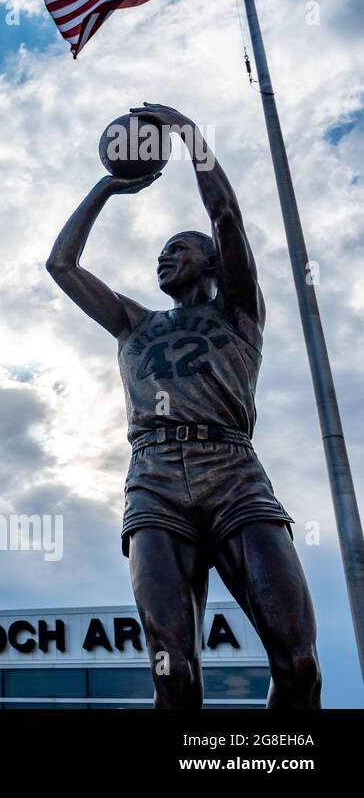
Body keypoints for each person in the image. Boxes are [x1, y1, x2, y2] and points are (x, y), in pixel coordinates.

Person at [45, 102, 321, 708]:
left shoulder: (238, 312)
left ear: (213, 262)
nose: (164, 257)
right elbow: (61, 265)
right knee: (173, 672)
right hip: (155, 479)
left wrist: (190, 134)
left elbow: (225, 215)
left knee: (298, 661)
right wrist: (109, 186)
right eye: (161, 252)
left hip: (235, 474)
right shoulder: (133, 324)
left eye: (179, 248)